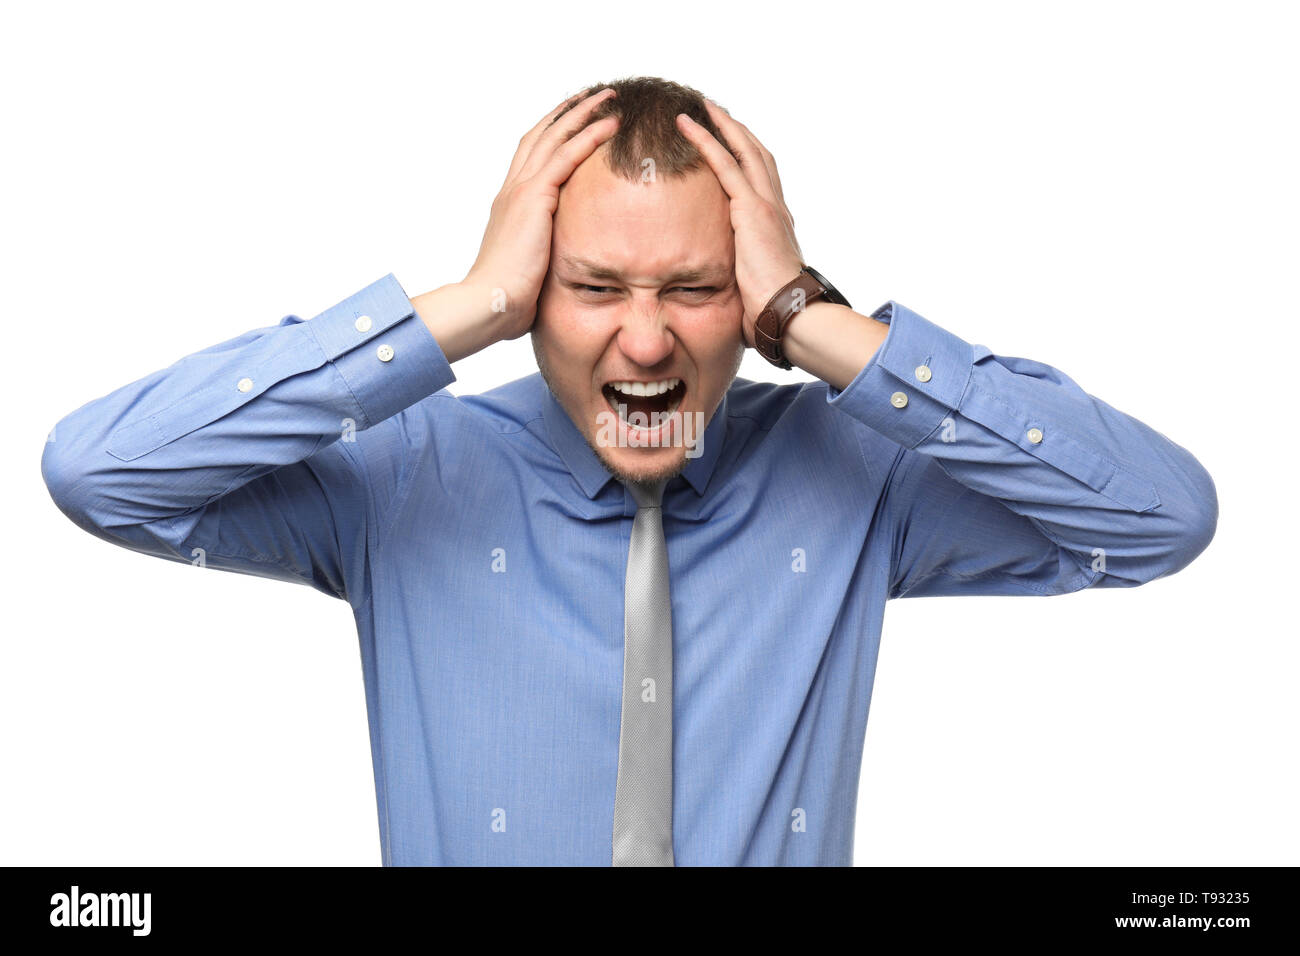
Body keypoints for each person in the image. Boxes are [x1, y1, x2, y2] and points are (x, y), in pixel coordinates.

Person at [40, 76, 1218, 866]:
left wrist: (818, 319)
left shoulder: (859, 474)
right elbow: (104, 472)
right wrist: (457, 310)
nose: (645, 342)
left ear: (752, 297)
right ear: (532, 292)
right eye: (593, 287)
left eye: (696, 290)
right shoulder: (398, 473)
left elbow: (1159, 515)